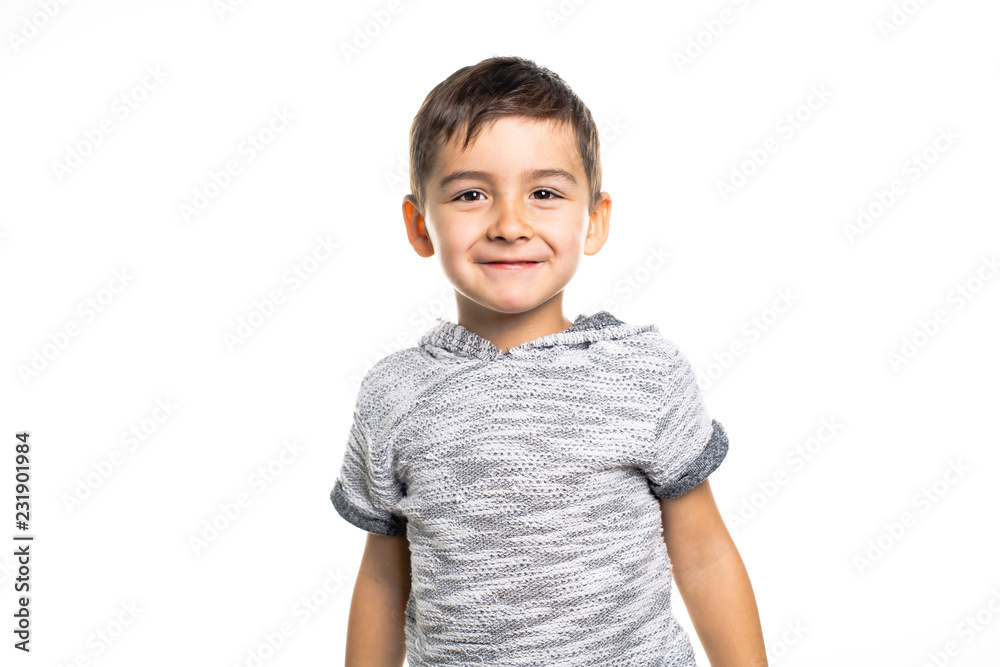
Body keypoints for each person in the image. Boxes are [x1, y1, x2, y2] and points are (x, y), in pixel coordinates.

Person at [330, 55, 767, 666]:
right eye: (471, 194)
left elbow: (704, 555)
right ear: (419, 224)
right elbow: (382, 579)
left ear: (594, 220)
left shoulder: (644, 374)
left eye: (543, 193)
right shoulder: (395, 395)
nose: (510, 224)